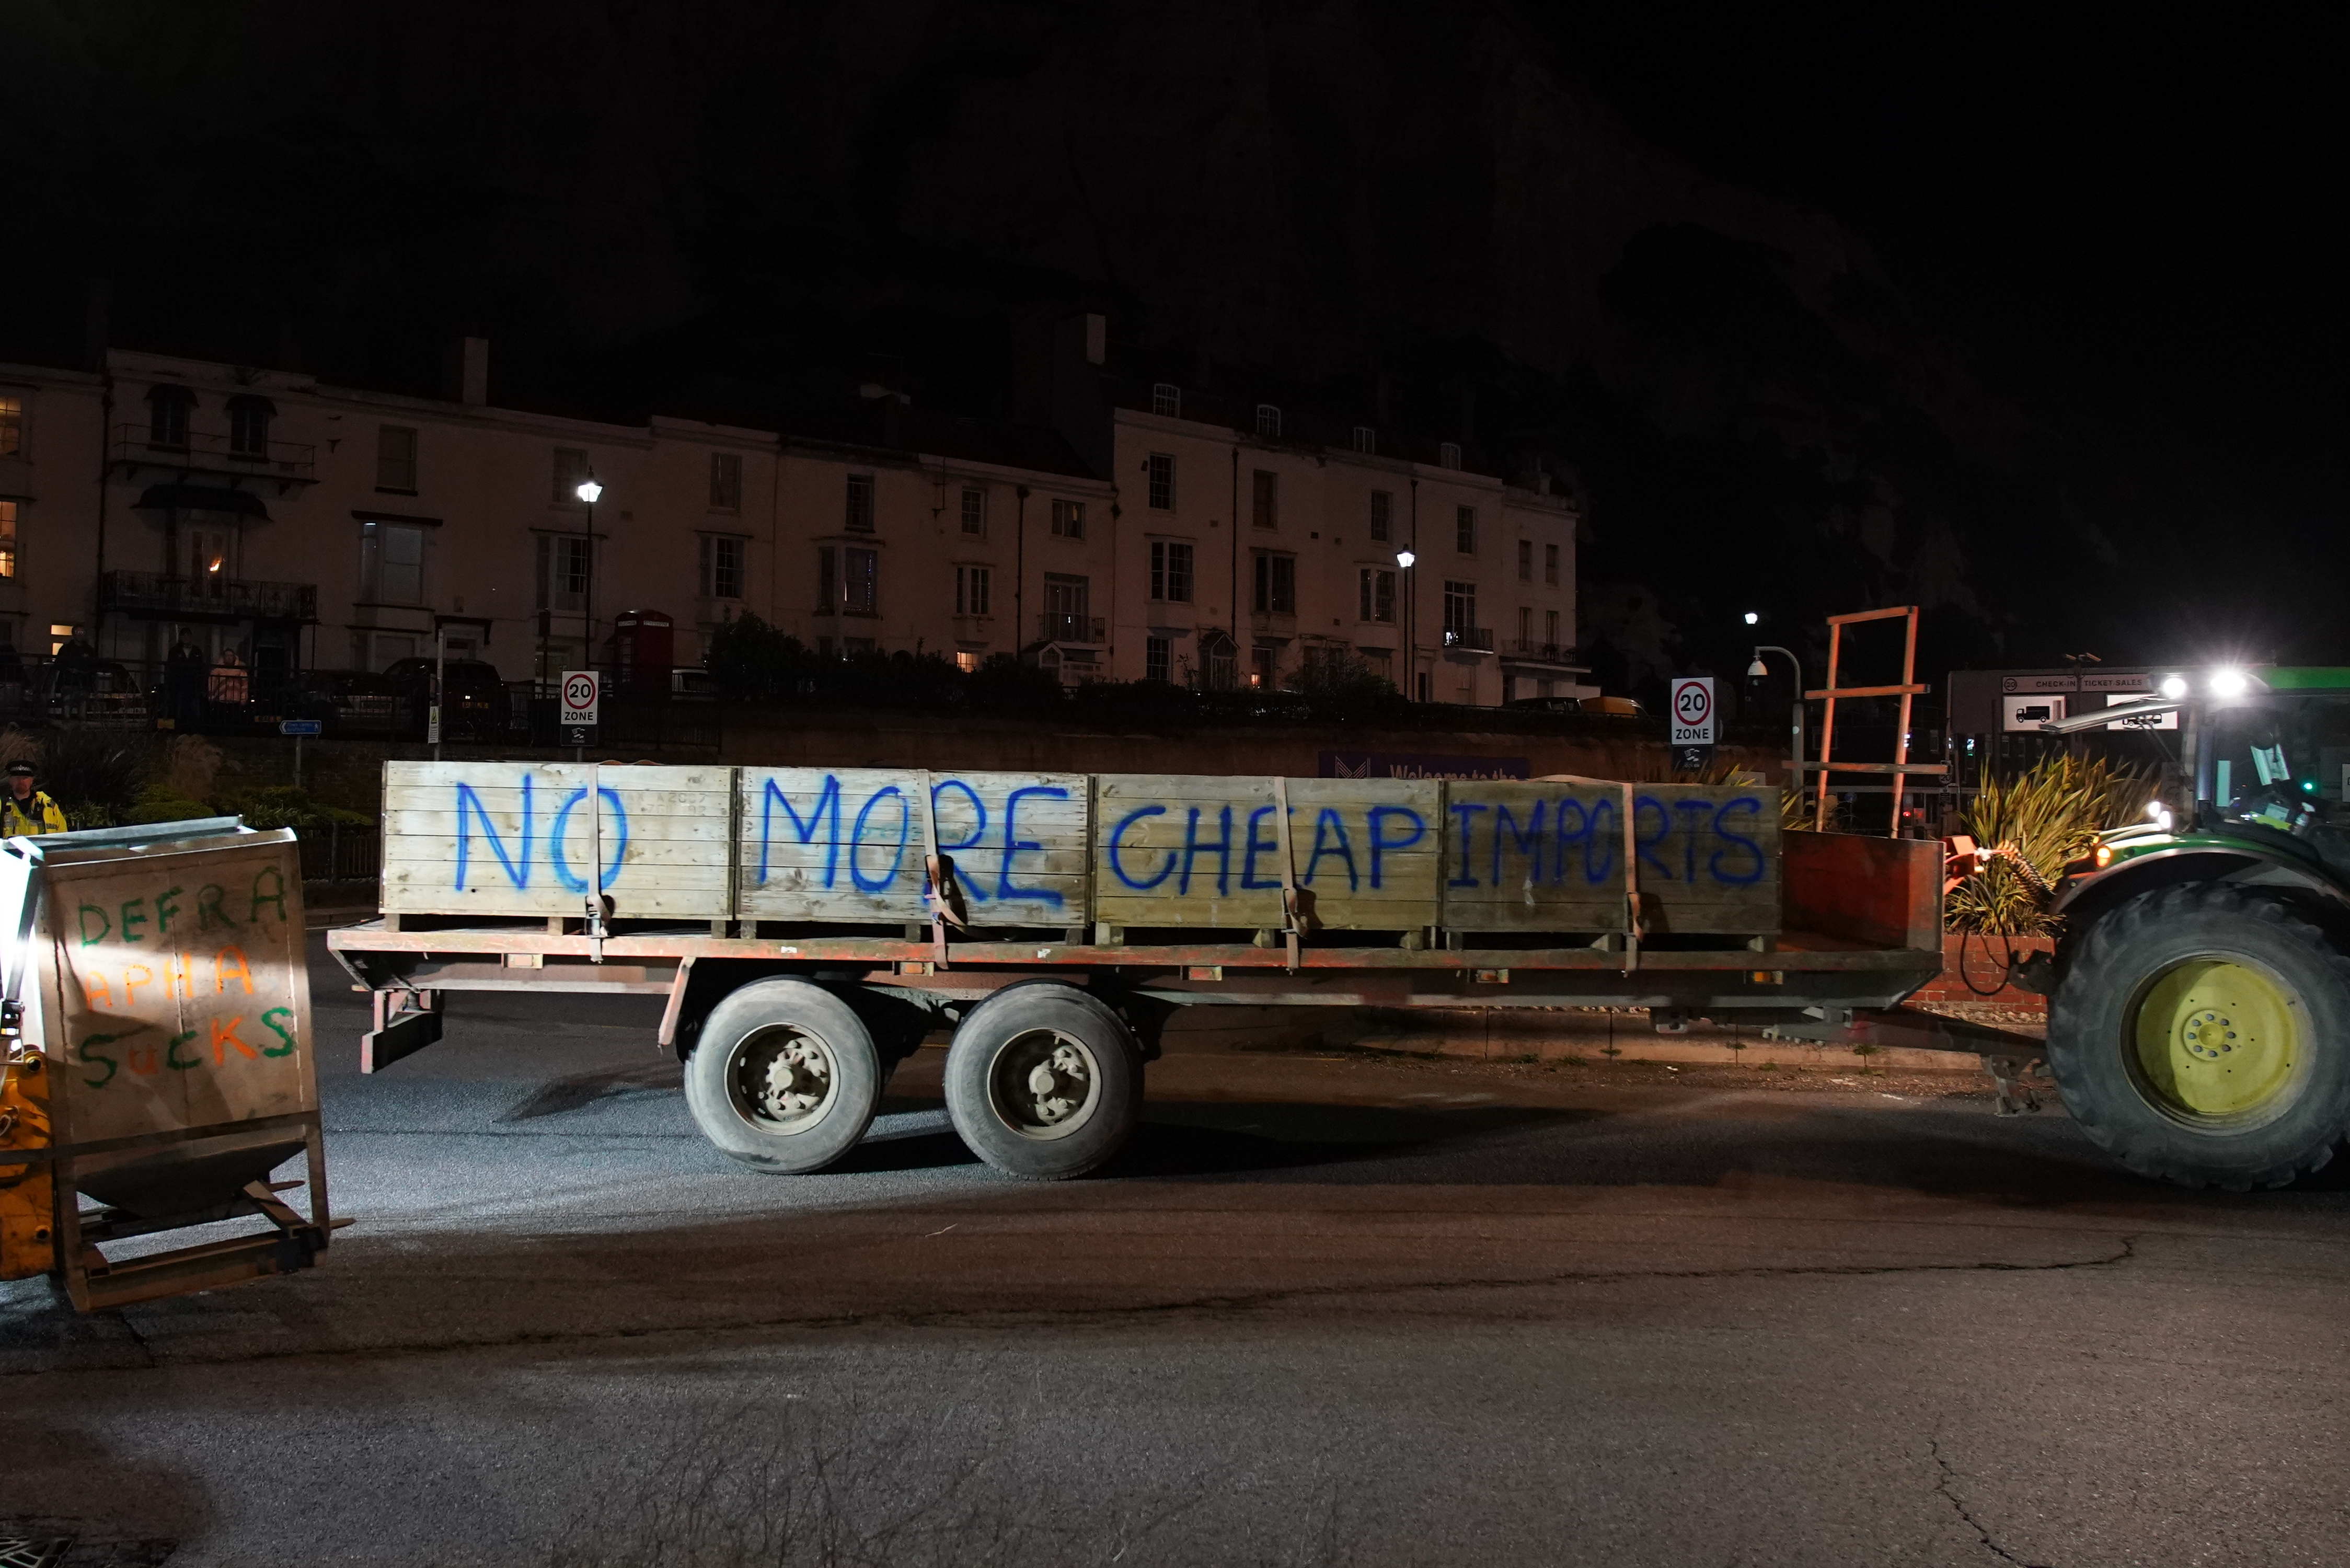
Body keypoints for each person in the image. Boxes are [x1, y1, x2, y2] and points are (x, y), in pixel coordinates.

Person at [1, 762, 67, 837]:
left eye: (25, 778)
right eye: (17, 778)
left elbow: (64, 838)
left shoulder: (49, 806)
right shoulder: (2, 806)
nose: (21, 781)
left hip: (41, 849)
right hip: (10, 849)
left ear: (32, 780)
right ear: (10, 780)